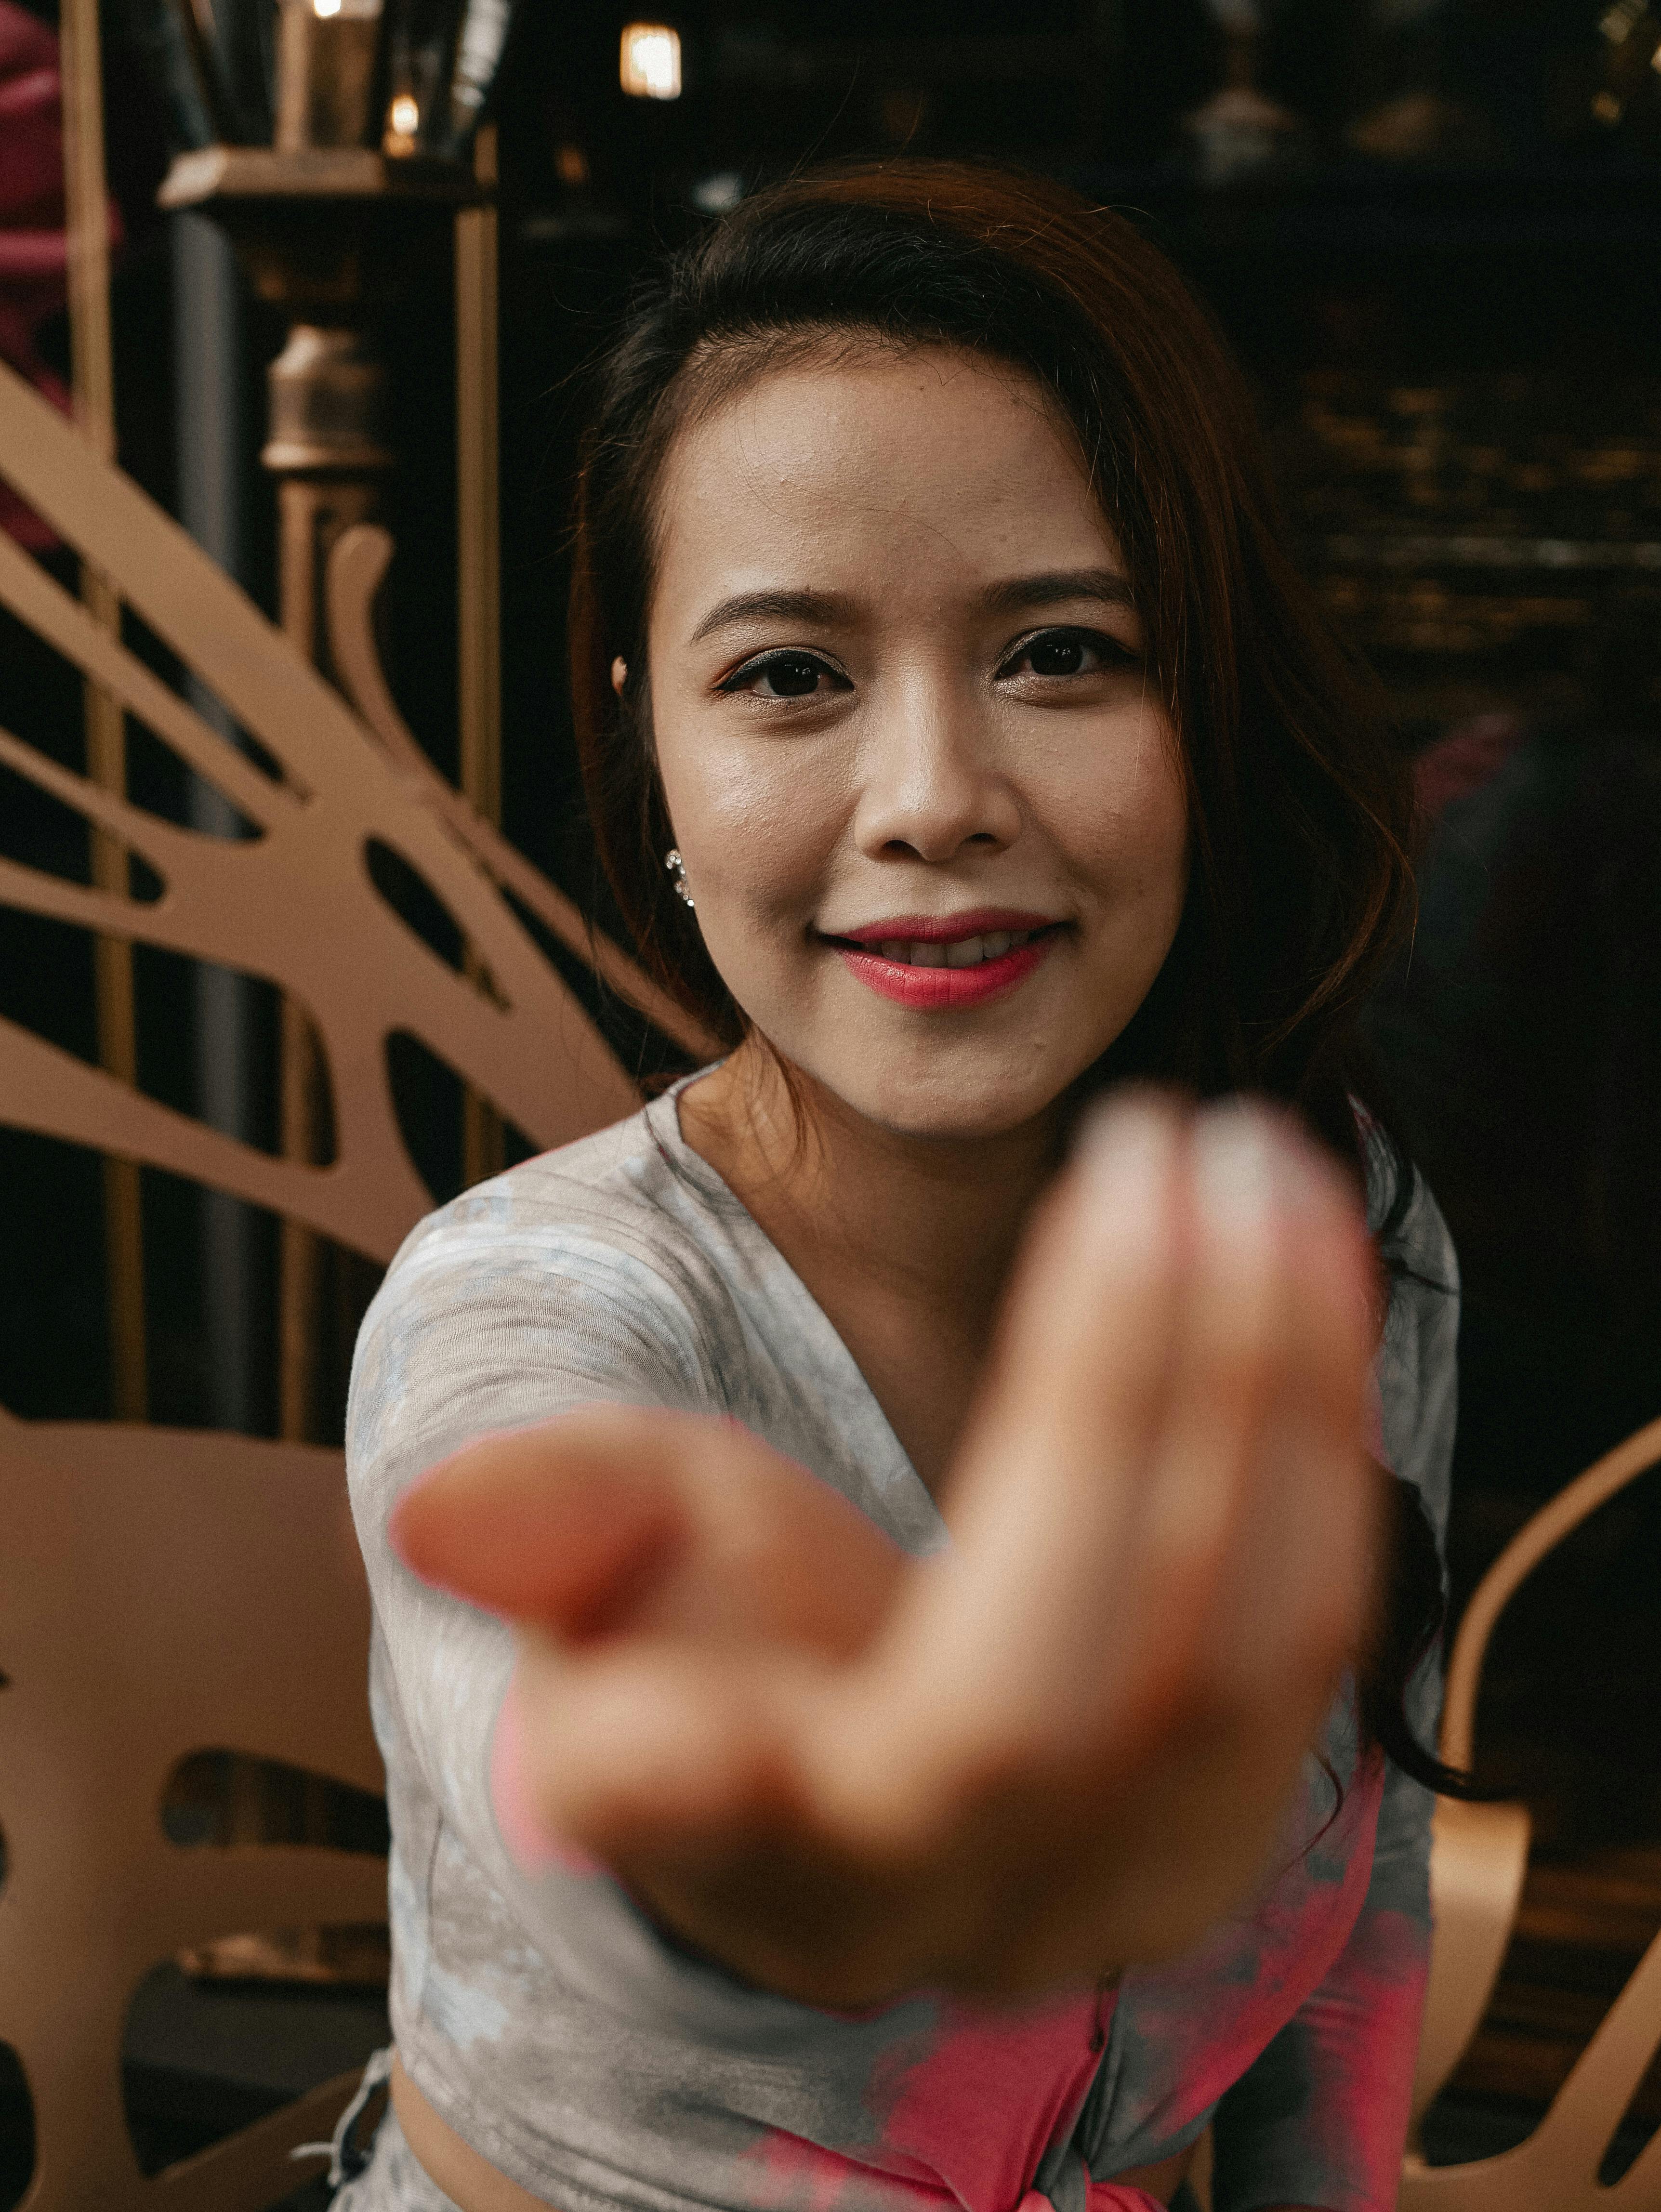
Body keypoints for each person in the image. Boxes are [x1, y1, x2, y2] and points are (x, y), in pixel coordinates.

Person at [337, 161, 1459, 2212]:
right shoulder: (515, 1305)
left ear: (1206, 698)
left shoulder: (1332, 1228)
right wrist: (792, 1838)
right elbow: (590, 1771)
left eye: (1059, 650)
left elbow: (1350, 1926)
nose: (935, 795)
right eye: (787, 675)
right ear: (651, 743)